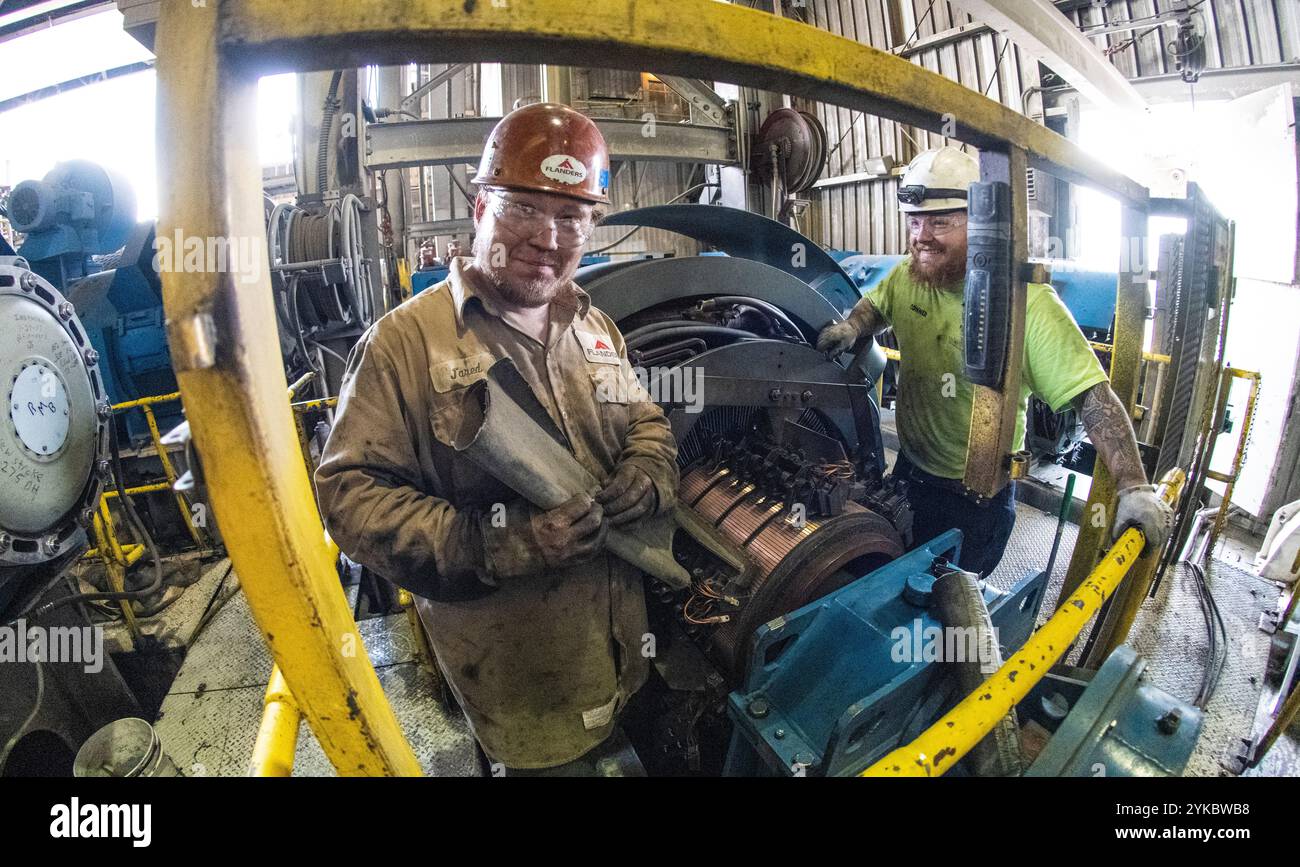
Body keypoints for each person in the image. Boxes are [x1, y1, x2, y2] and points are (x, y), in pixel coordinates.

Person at [315, 103, 678, 772]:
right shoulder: (405, 343)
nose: (548, 236)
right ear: (481, 208)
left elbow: (648, 423)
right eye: (523, 209)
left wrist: (648, 469)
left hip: (629, 649)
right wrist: (506, 542)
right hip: (522, 686)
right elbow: (350, 499)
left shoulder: (594, 327)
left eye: (571, 216)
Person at [817, 146, 1171, 578]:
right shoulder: (910, 276)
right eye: (915, 221)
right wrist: (854, 326)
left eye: (941, 221)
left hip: (973, 502)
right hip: (908, 474)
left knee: (949, 611)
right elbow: (877, 303)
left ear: (982, 224)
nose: (921, 236)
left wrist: (1134, 486)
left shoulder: (1026, 306)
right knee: (895, 582)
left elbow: (1093, 400)